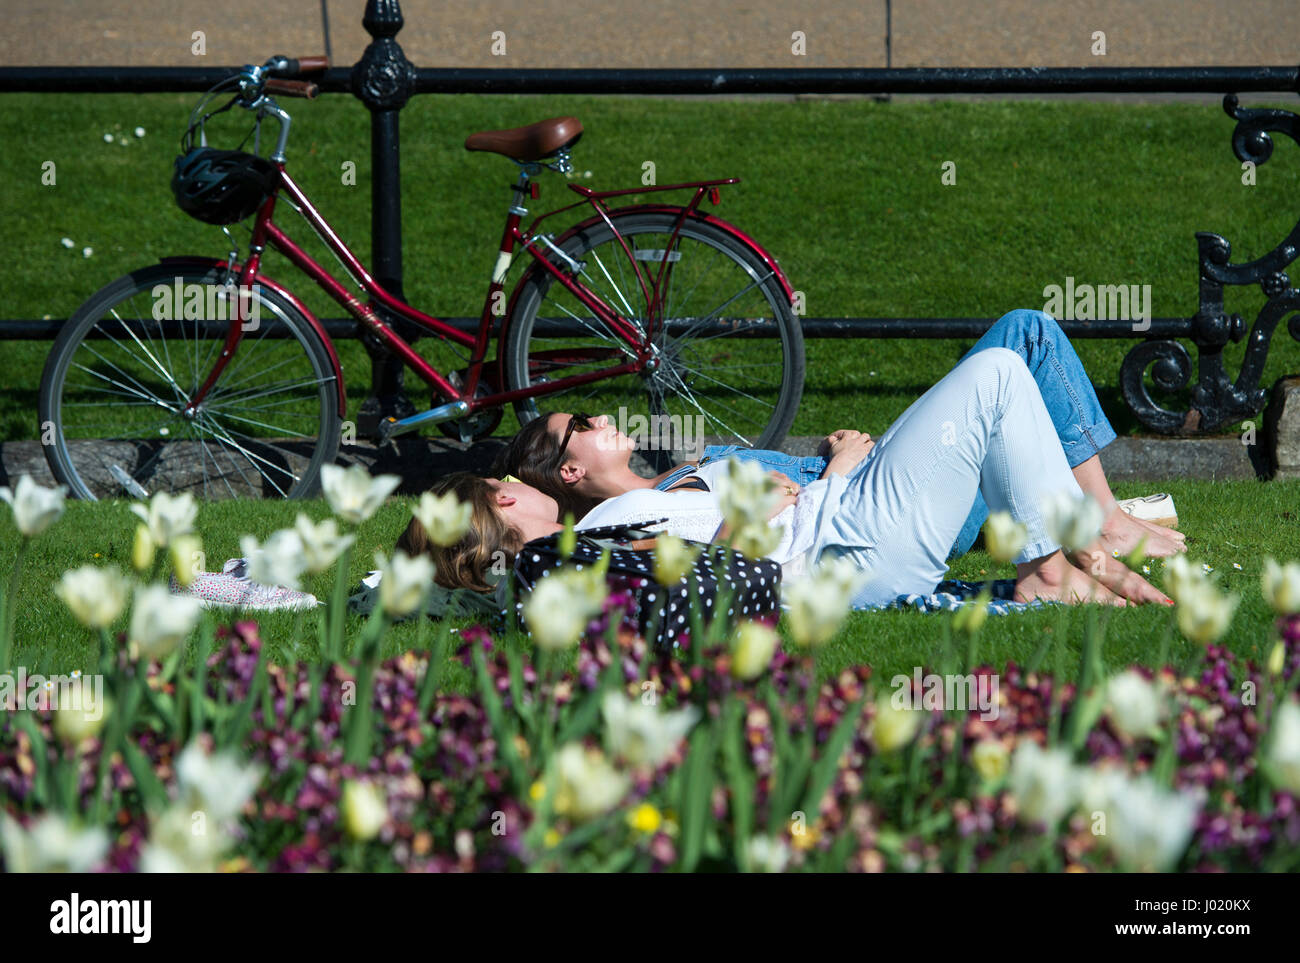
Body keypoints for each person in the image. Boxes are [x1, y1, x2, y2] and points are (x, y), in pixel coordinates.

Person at [416, 346, 1172, 607]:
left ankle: (1070, 547)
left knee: (1002, 368)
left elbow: (729, 546)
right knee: (1001, 372)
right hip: (848, 540)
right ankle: (1051, 564)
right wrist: (832, 476)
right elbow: (739, 554)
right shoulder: (603, 531)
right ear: (504, 497)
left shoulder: (595, 542)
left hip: (844, 537)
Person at [494, 308, 1184, 563]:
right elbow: (780, 536)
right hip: (893, 511)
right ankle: (1107, 521)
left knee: (1018, 338)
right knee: (1023, 336)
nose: (601, 418)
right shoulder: (655, 516)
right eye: (580, 426)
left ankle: (1103, 516)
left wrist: (833, 451)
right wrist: (840, 470)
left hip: (885, 478)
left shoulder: (689, 475)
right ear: (572, 473)